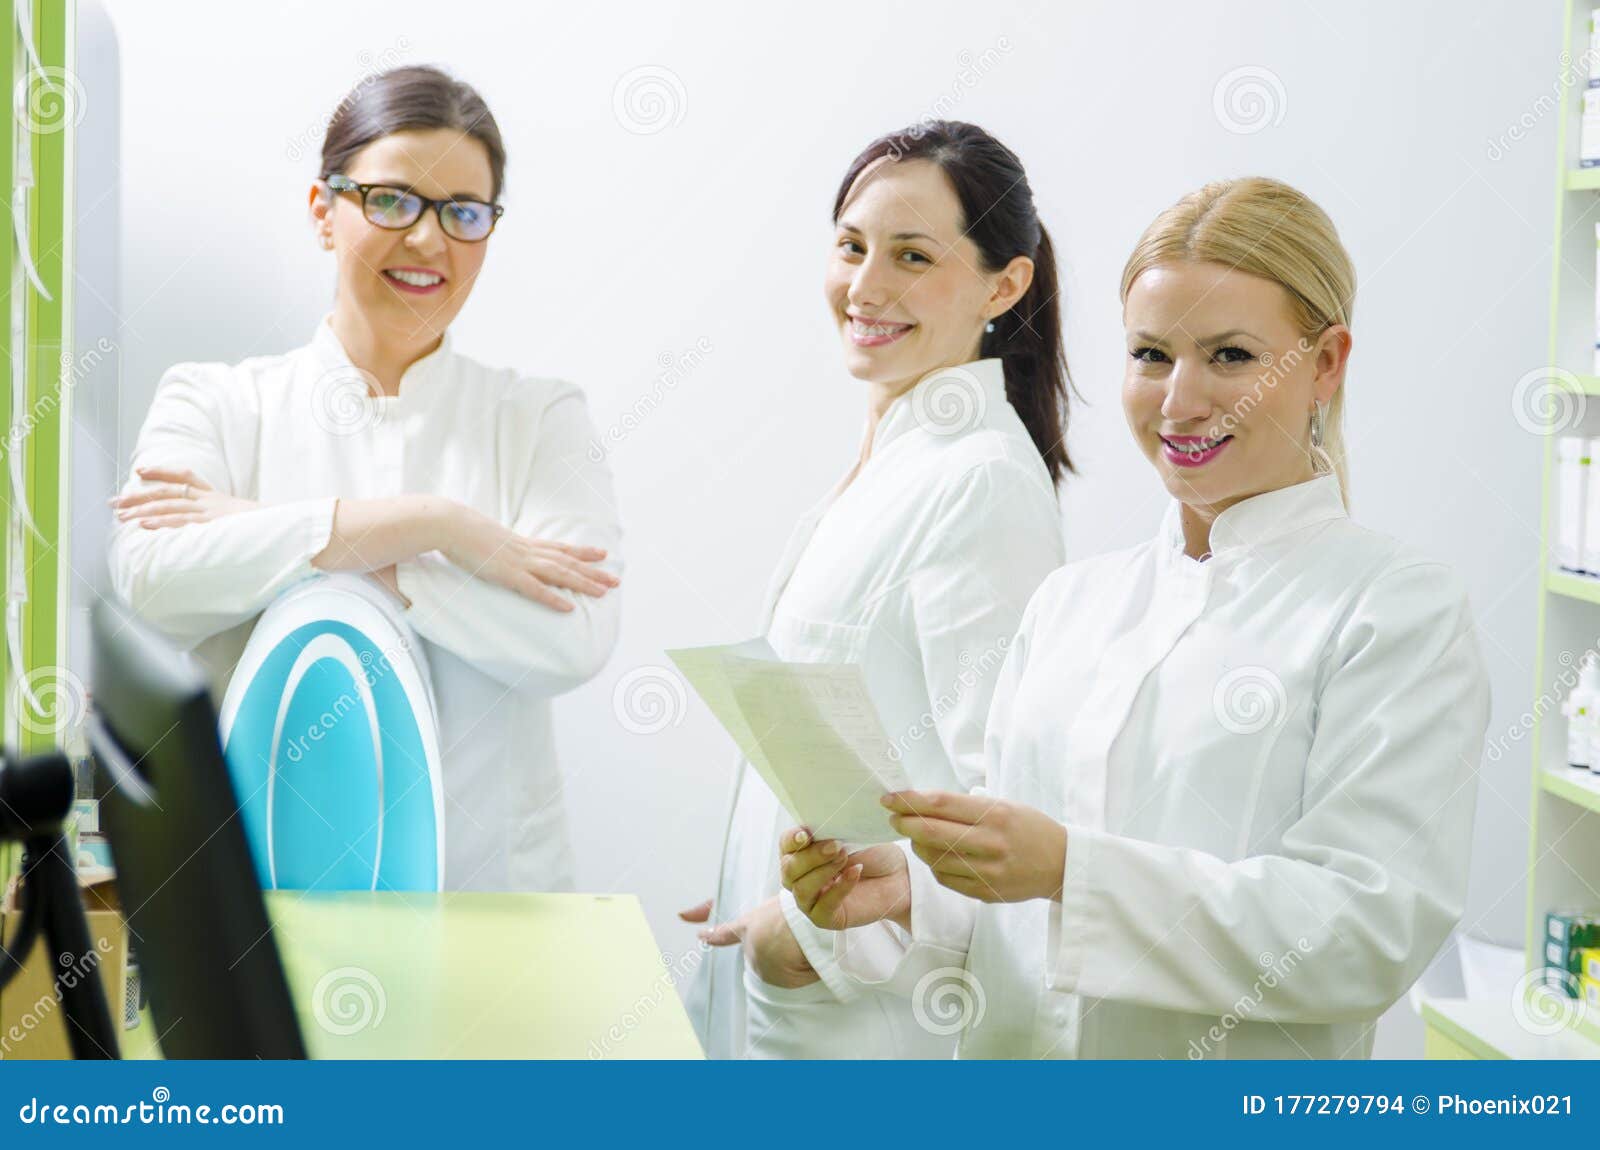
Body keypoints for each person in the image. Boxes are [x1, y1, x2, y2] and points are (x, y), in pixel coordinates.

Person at [781, 176, 1491, 1059]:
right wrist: (918, 892)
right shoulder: (1074, 603)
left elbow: (1363, 935)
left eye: (1230, 356)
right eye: (1151, 355)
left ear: (1327, 362)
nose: (1180, 399)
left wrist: (1071, 871)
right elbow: (1026, 898)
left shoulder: (1393, 609)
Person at [107, 65, 621, 893]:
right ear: (324, 211)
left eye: (464, 213)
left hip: (491, 907)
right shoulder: (216, 399)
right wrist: (436, 523)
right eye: (392, 200)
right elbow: (152, 580)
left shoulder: (540, 419)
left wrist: (318, 542)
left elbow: (573, 640)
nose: (428, 241)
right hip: (259, 910)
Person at [682, 121, 1070, 1059]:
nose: (865, 286)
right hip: (796, 973)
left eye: (912, 255)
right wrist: (750, 875)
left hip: (875, 1020)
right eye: (852, 247)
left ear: (1004, 283)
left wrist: (807, 938)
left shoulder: (980, 481)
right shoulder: (894, 461)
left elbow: (1006, 797)